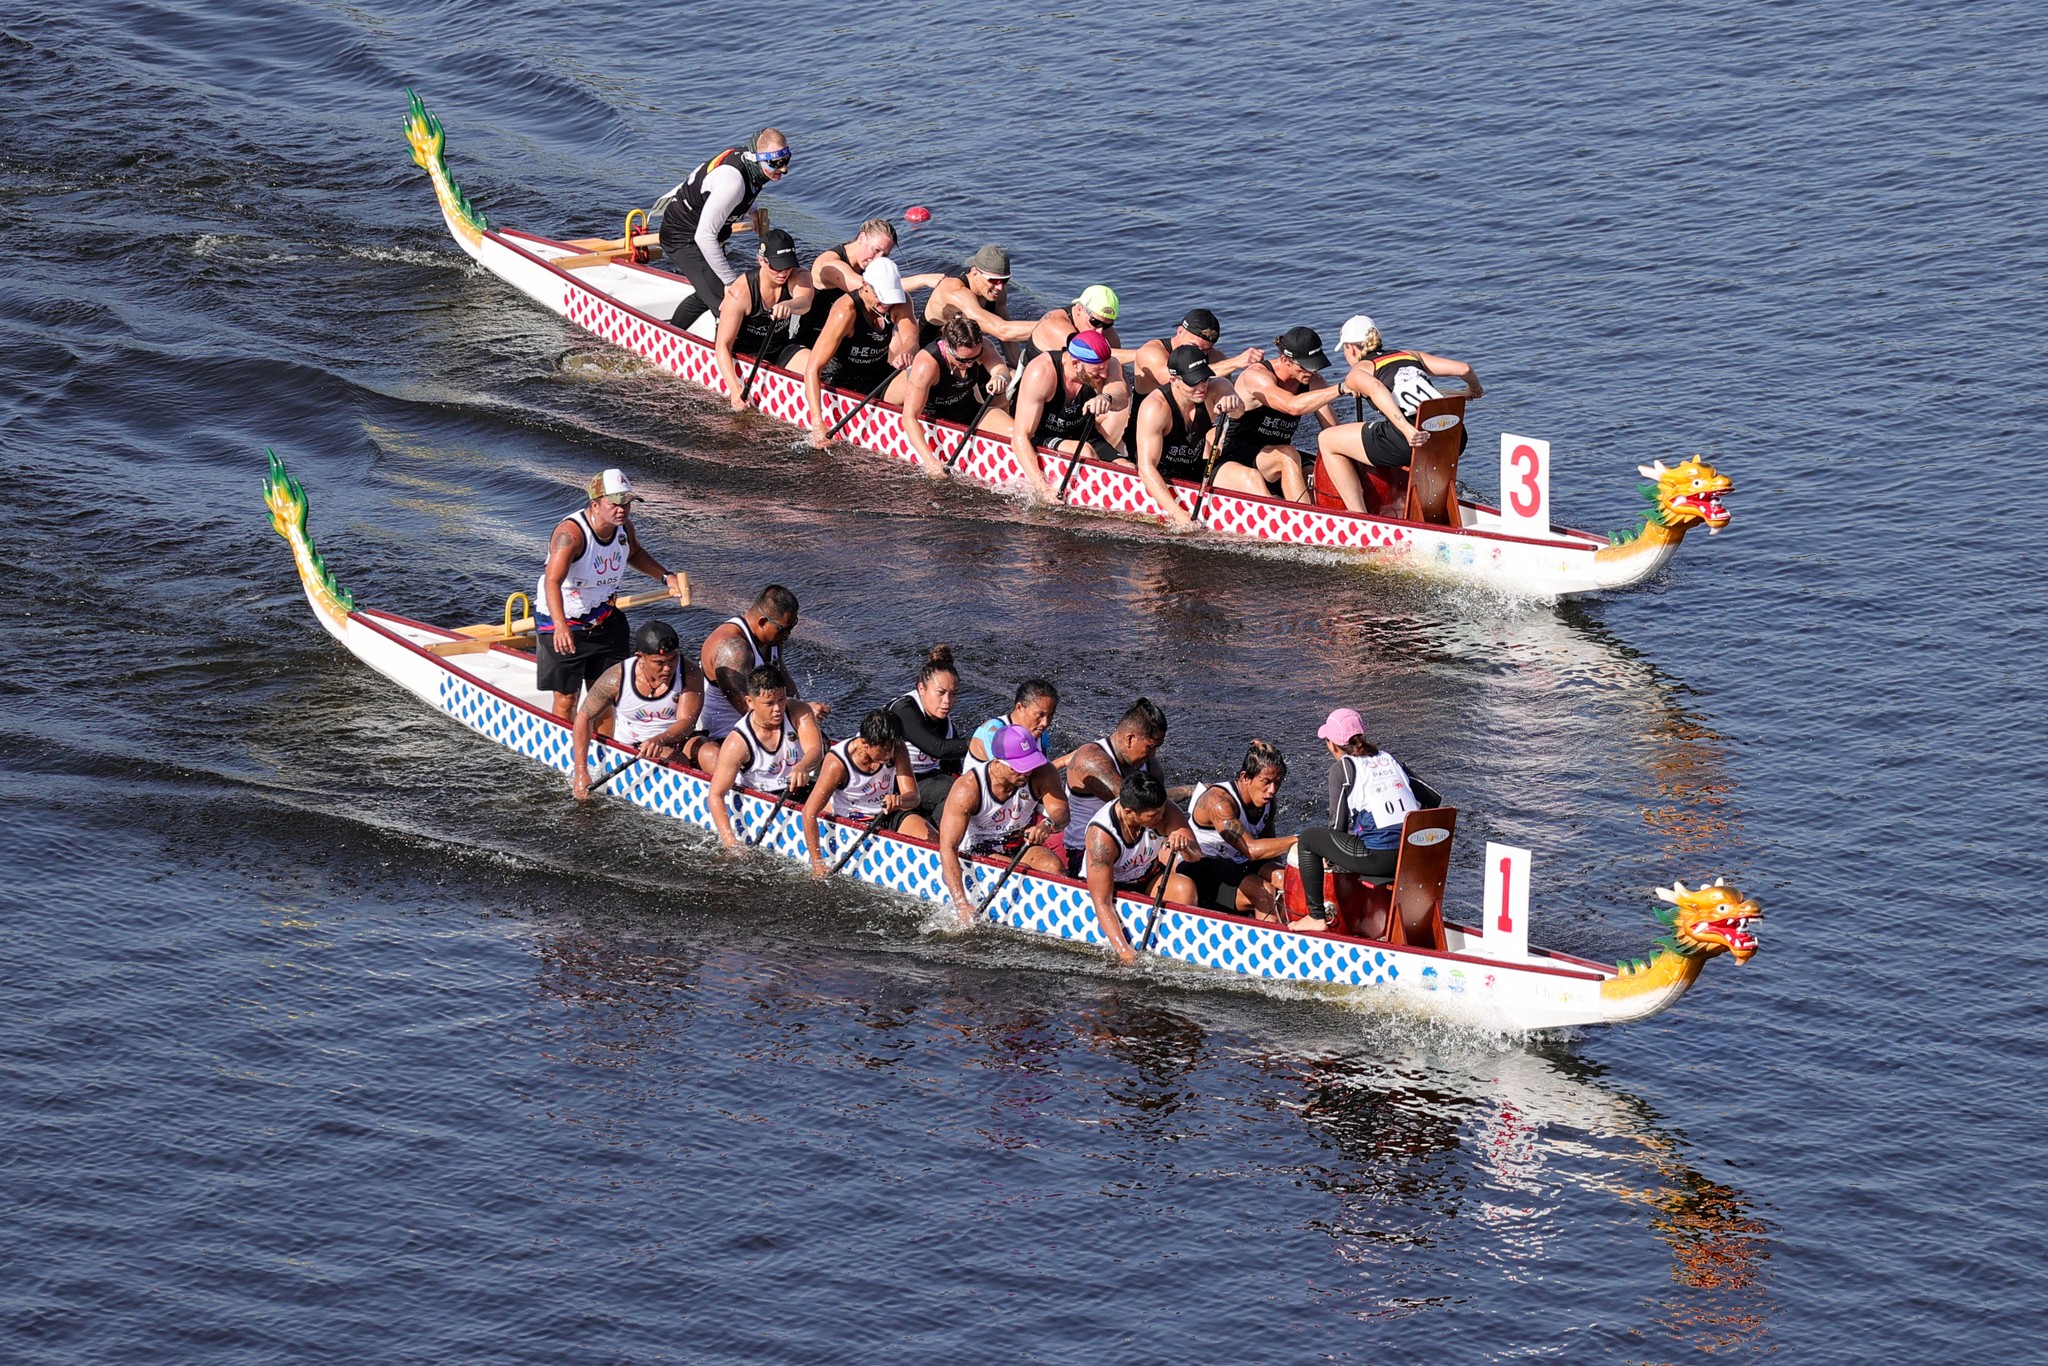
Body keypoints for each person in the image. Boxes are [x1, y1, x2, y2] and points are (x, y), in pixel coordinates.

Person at [535, 468, 686, 721]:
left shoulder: (624, 528)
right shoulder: (570, 535)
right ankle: (566, 748)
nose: (623, 509)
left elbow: (635, 554)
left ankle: (603, 754)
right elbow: (552, 581)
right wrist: (561, 626)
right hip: (563, 621)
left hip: (603, 618)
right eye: (616, 503)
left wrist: (665, 576)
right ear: (594, 505)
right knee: (567, 699)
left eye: (627, 503)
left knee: (605, 695)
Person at [1316, 315, 1488, 513]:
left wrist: (1406, 430)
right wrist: (1474, 390)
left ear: (1351, 348)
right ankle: (1431, 507)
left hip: (1411, 439)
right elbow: (1464, 368)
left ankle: (1359, 516)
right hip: (1454, 434)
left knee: (1327, 439)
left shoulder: (1359, 370)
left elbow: (1376, 387)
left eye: (1345, 351)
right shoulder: (1409, 355)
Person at [1294, 707, 1445, 924]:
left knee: (1309, 839)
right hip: (1413, 856)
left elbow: (1338, 825)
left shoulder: (1343, 769)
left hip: (1379, 860)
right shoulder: (1389, 759)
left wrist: (1328, 858)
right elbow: (1433, 798)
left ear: (1332, 744)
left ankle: (1315, 918)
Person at [656, 129, 791, 330]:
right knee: (731, 305)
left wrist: (752, 210)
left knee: (706, 293)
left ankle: (671, 332)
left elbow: (737, 192)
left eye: (786, 159)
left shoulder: (753, 166)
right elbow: (704, 236)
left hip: (704, 231)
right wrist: (730, 282)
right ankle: (728, 353)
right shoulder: (733, 182)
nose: (784, 169)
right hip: (683, 236)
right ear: (757, 157)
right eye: (776, 163)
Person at [938, 723, 1071, 924]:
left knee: (1053, 867)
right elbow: (948, 848)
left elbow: (1063, 813)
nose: (1026, 773)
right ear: (997, 762)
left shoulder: (1043, 773)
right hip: (978, 849)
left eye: (1030, 763)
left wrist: (1048, 824)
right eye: (1020, 766)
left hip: (1019, 843)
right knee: (1026, 873)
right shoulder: (968, 788)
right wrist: (961, 903)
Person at [569, 620, 711, 799]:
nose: (668, 668)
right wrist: (581, 771)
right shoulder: (616, 678)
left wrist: (659, 740)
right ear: (640, 657)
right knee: (677, 760)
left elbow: (687, 723)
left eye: (673, 658)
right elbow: (584, 717)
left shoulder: (689, 671)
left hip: (677, 737)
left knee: (711, 754)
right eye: (659, 662)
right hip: (637, 746)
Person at [1210, 326, 1345, 503]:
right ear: (1285, 360)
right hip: (1237, 458)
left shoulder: (1314, 381)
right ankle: (1304, 521)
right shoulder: (1256, 376)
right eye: (1305, 367)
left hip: (1273, 463)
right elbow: (1292, 406)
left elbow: (1332, 432)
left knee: (1316, 472)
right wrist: (1342, 388)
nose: (1311, 372)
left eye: (1315, 365)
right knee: (1287, 455)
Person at [1081, 769, 1202, 964]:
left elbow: (1196, 856)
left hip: (1148, 875)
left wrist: (1185, 847)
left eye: (1162, 811)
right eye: (1154, 815)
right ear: (1129, 813)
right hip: (1115, 887)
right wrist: (1125, 953)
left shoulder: (1165, 811)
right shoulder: (1101, 837)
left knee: (1184, 888)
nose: (1161, 818)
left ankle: (1180, 950)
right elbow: (1102, 901)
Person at [706, 664, 826, 851]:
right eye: (769, 704)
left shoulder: (798, 712)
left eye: (782, 699)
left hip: (801, 787)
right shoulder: (737, 743)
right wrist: (730, 841)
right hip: (764, 799)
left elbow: (815, 751)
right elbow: (716, 794)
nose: (778, 709)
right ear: (750, 702)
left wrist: (802, 766)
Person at [801, 708, 931, 877]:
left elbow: (914, 798)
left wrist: (899, 800)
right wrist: (817, 862)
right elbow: (809, 812)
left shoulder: (896, 748)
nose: (890, 754)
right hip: (853, 820)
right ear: (864, 743)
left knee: (934, 841)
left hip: (887, 813)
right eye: (884, 749)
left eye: (892, 748)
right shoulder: (837, 764)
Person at [803, 257, 915, 447]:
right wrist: (817, 423)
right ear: (865, 286)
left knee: (921, 374)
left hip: (877, 376)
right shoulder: (845, 311)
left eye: (890, 298)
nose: (886, 304)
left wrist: (907, 351)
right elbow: (812, 369)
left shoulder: (900, 301)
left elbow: (912, 337)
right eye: (881, 297)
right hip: (841, 382)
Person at [1133, 345, 1245, 529]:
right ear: (1174, 380)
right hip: (1166, 476)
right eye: (1193, 382)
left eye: (1204, 379)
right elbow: (1146, 469)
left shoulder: (1217, 388)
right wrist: (1177, 513)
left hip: (1197, 469)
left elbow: (1240, 413)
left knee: (1249, 476)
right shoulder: (1155, 407)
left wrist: (1234, 402)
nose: (1202, 386)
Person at [698, 585, 827, 744]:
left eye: (792, 628)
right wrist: (801, 712)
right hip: (726, 736)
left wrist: (800, 711)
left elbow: (784, 681)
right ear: (763, 622)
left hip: (765, 726)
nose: (788, 635)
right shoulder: (733, 650)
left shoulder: (772, 639)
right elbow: (749, 709)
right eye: (784, 629)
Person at [1009, 329, 1128, 501]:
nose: (1104, 374)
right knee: (1086, 452)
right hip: (1043, 435)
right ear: (1075, 363)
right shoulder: (1041, 372)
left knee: (1127, 468)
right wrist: (1041, 487)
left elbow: (1121, 396)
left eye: (1106, 367)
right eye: (1097, 370)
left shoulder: (1109, 365)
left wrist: (1106, 397)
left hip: (1081, 432)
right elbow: (1020, 437)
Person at [1187, 740, 1298, 924]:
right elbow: (1251, 849)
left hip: (1239, 862)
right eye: (1266, 782)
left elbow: (1269, 848)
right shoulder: (1219, 802)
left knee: (1287, 881)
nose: (1272, 790)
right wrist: (1298, 840)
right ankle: (1268, 946)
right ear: (1245, 777)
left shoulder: (1268, 801)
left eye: (1278, 783)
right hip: (1202, 866)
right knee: (1264, 892)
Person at [1058, 698, 1169, 874]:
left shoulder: (1151, 766)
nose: (1153, 753)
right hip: (1087, 851)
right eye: (1150, 747)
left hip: (1135, 853)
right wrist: (1188, 791)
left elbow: (1162, 809)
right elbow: (1134, 801)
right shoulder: (1091, 760)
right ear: (1130, 739)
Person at [713, 229, 816, 412]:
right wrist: (735, 389)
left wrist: (790, 305)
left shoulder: (800, 276)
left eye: (788, 266)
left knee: (815, 365)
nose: (783, 273)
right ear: (761, 260)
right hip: (746, 353)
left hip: (779, 348)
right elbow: (722, 345)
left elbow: (805, 302)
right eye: (777, 267)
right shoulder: (741, 292)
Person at [898, 315, 1013, 476]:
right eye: (963, 360)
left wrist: (1000, 377)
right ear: (947, 347)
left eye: (975, 358)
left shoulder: (984, 346)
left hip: (970, 411)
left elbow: (1002, 370)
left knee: (1014, 434)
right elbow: (909, 417)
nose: (970, 364)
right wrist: (929, 461)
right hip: (935, 420)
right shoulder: (927, 364)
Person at [887, 645, 974, 817]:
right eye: (940, 693)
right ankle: (937, 837)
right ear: (921, 689)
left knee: (967, 787)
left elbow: (952, 767)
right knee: (952, 791)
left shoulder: (947, 726)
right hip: (889, 783)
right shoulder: (904, 709)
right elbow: (937, 748)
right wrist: (983, 743)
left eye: (953, 694)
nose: (947, 701)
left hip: (923, 782)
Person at [918, 244, 1036, 356]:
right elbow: (1002, 330)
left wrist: (1017, 367)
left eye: (1005, 280)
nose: (1000, 287)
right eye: (993, 280)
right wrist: (1048, 325)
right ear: (974, 273)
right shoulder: (953, 291)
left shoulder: (996, 293)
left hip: (966, 354)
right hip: (928, 353)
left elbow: (1008, 340)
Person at [1118, 308, 1262, 396]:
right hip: (1148, 425)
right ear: (1180, 331)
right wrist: (1235, 362)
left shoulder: (1217, 358)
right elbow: (1176, 379)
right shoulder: (1151, 353)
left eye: (1205, 350)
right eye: (1194, 346)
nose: (1198, 353)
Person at [1020, 285, 1124, 375]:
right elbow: (1093, 353)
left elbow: (1119, 371)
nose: (1100, 331)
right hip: (1034, 385)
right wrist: (1138, 355)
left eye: (1107, 325)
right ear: (1079, 309)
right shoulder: (1054, 324)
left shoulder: (1107, 331)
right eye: (1095, 322)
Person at [967, 678, 1059, 764]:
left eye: (1051, 715)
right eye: (1040, 715)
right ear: (1019, 708)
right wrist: (1063, 762)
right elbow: (1013, 773)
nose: (1045, 723)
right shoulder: (994, 731)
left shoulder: (1041, 735)